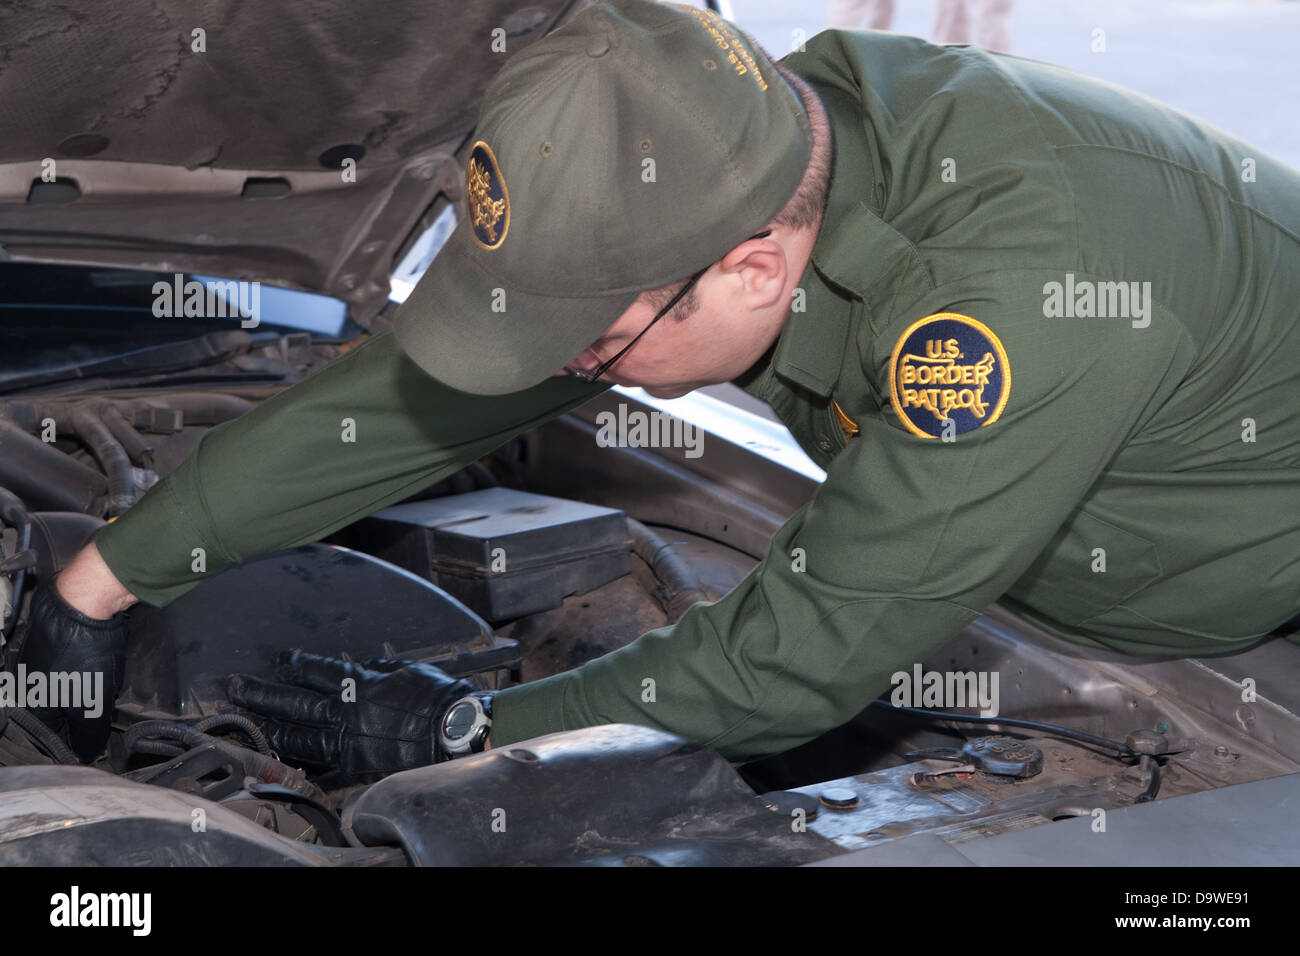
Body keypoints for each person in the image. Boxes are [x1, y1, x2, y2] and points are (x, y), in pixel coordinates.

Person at [21, 0, 1300, 775]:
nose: (558, 368)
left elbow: (791, 667)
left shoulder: (1010, 301)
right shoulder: (739, 146)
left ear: (749, 271)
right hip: (1031, 544)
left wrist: (464, 734)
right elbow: (414, 403)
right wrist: (113, 571)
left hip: (1240, 620)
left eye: (587, 343)